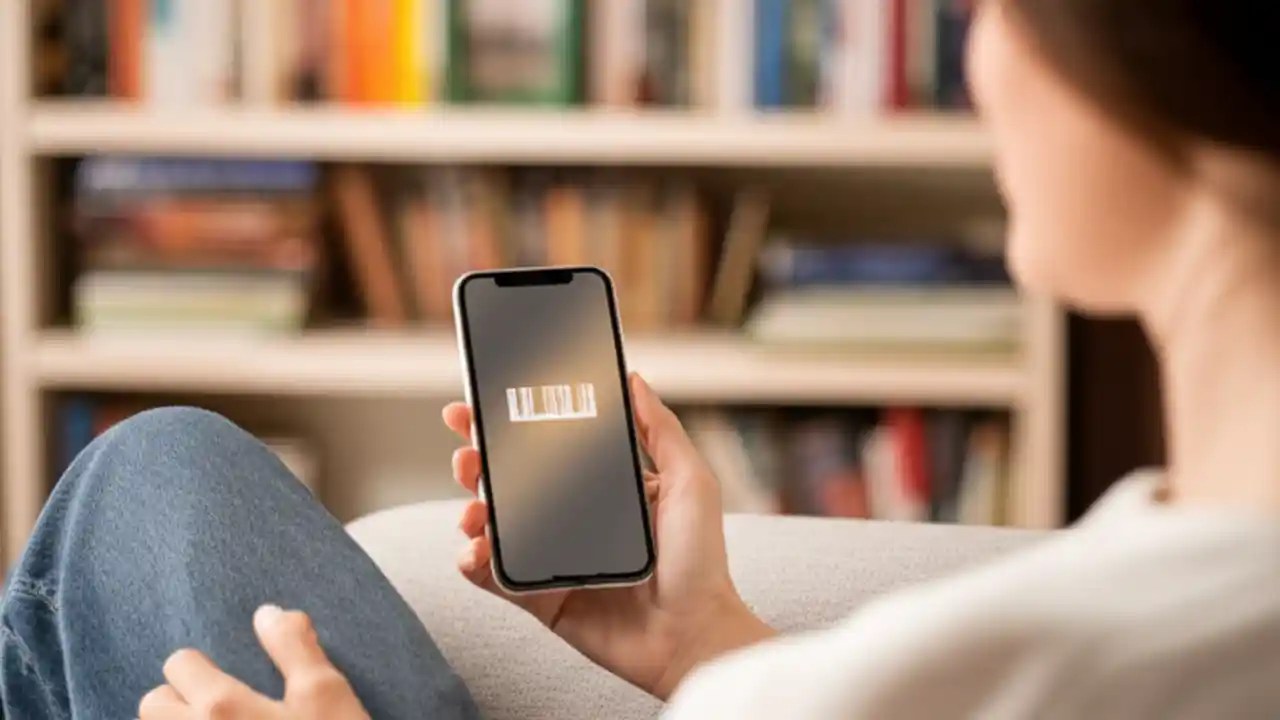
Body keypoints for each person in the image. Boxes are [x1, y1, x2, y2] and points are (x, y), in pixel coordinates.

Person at [4, 0, 1279, 717]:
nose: (982, 60)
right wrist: (697, 636)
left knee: (143, 482)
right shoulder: (1162, 605)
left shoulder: (1077, 661)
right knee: (166, 464)